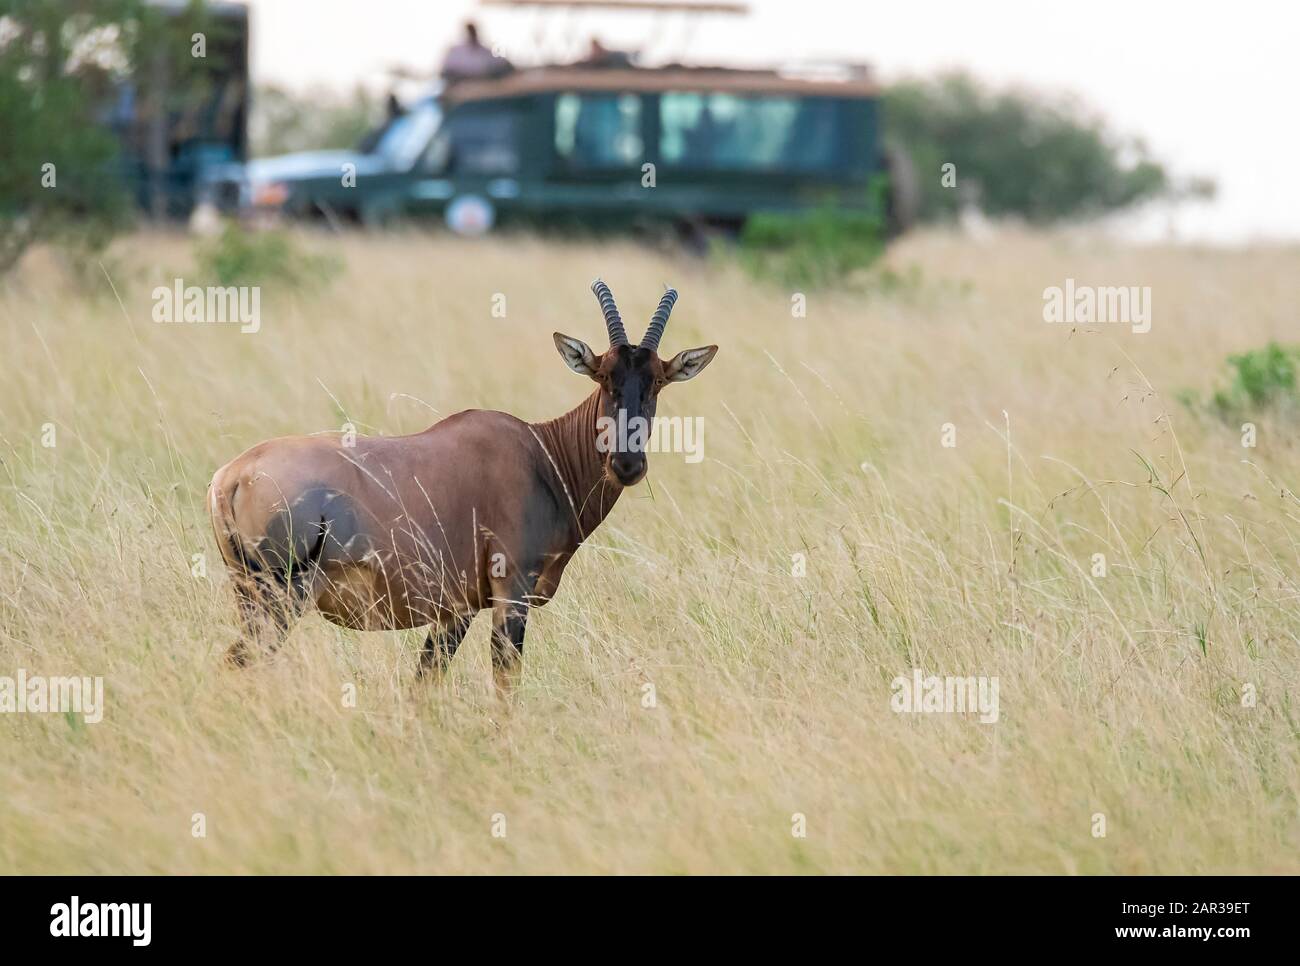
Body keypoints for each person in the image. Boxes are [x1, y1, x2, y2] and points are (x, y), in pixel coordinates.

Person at [441, 22, 512, 81]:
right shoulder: (455, 51)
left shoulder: (485, 51)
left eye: (473, 31)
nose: (471, 34)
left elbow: (502, 63)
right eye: (470, 31)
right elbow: (446, 72)